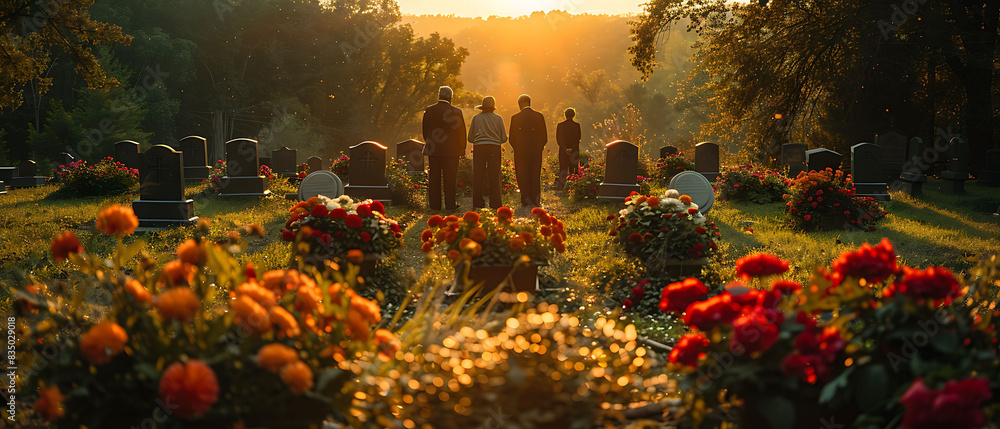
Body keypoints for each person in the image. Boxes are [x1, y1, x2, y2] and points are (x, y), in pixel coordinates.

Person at [422, 86, 467, 211]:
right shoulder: (456, 112)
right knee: (450, 178)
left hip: (434, 148)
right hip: (452, 150)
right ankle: (450, 205)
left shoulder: (429, 110)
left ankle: (435, 205)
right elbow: (461, 132)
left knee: (434, 177)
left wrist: (430, 141)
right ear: (451, 97)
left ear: (439, 96)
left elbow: (425, 130)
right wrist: (462, 149)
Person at [467, 96, 507, 209]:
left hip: (479, 148)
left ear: (482, 107)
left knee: (478, 175)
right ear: (493, 108)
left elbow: (470, 138)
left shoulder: (476, 118)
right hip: (494, 148)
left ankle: (478, 203)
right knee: (494, 176)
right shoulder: (499, 118)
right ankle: (496, 204)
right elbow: (503, 138)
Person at [508, 94, 547, 208]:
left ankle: (525, 199)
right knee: (535, 173)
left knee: (522, 173)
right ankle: (536, 199)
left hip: (520, 150)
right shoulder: (539, 116)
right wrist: (540, 146)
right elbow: (544, 136)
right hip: (536, 149)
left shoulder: (515, 117)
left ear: (519, 104)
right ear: (530, 102)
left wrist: (517, 148)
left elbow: (511, 138)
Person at [555, 107, 581, 191]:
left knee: (563, 169)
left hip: (563, 151)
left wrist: (565, 149)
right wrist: (572, 149)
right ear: (574, 115)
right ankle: (574, 188)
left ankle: (561, 188)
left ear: (565, 115)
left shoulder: (560, 126)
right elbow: (578, 139)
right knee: (574, 169)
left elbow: (559, 140)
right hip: (574, 151)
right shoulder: (577, 126)